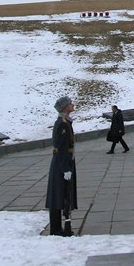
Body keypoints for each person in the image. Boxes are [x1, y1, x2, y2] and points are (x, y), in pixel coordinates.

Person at [46, 96, 78, 236]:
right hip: (61, 163)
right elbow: (61, 148)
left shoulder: (65, 122)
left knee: (61, 195)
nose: (72, 105)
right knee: (58, 195)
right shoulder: (63, 124)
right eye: (70, 103)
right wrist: (65, 169)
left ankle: (59, 228)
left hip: (64, 162)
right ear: (65, 107)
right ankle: (56, 229)